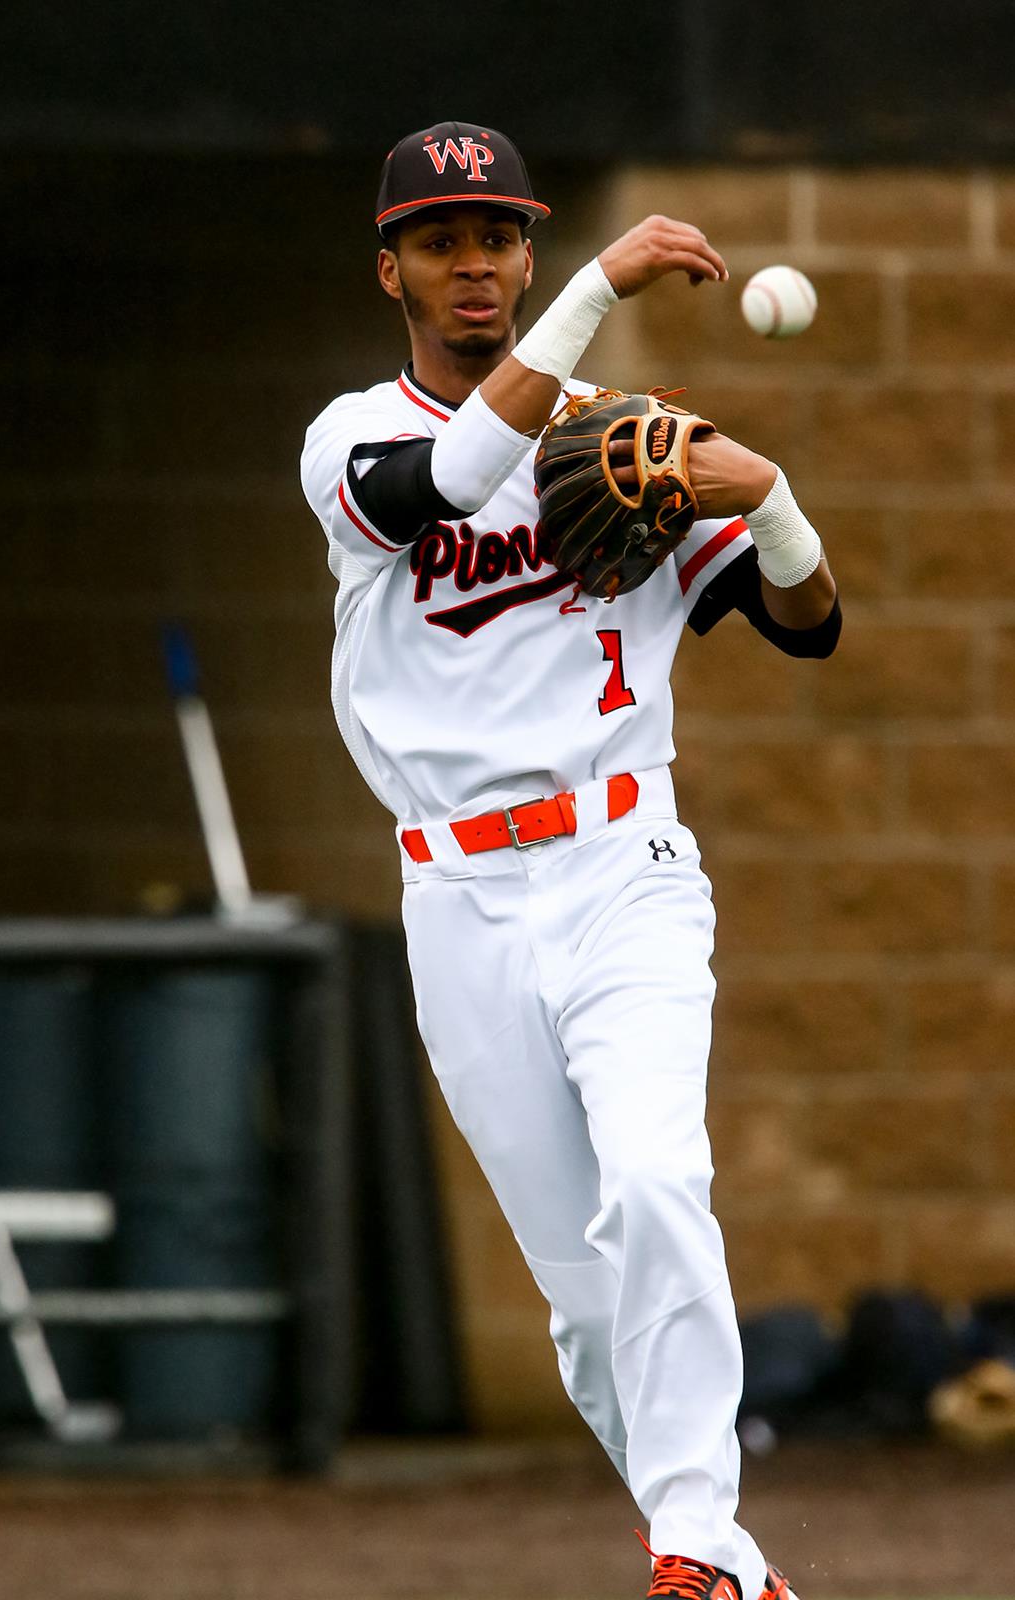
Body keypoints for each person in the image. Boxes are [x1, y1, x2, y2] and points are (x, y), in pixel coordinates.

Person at [301, 120, 840, 1600]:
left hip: (622, 866)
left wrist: (772, 498)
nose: (470, 261)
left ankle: (688, 1554)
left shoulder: (622, 435)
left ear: (519, 251)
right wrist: (600, 282)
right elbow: (447, 490)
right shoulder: (350, 437)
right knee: (584, 1296)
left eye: (497, 237)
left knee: (659, 1184)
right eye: (439, 239)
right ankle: (730, 1568)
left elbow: (812, 625)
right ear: (391, 267)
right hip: (456, 896)